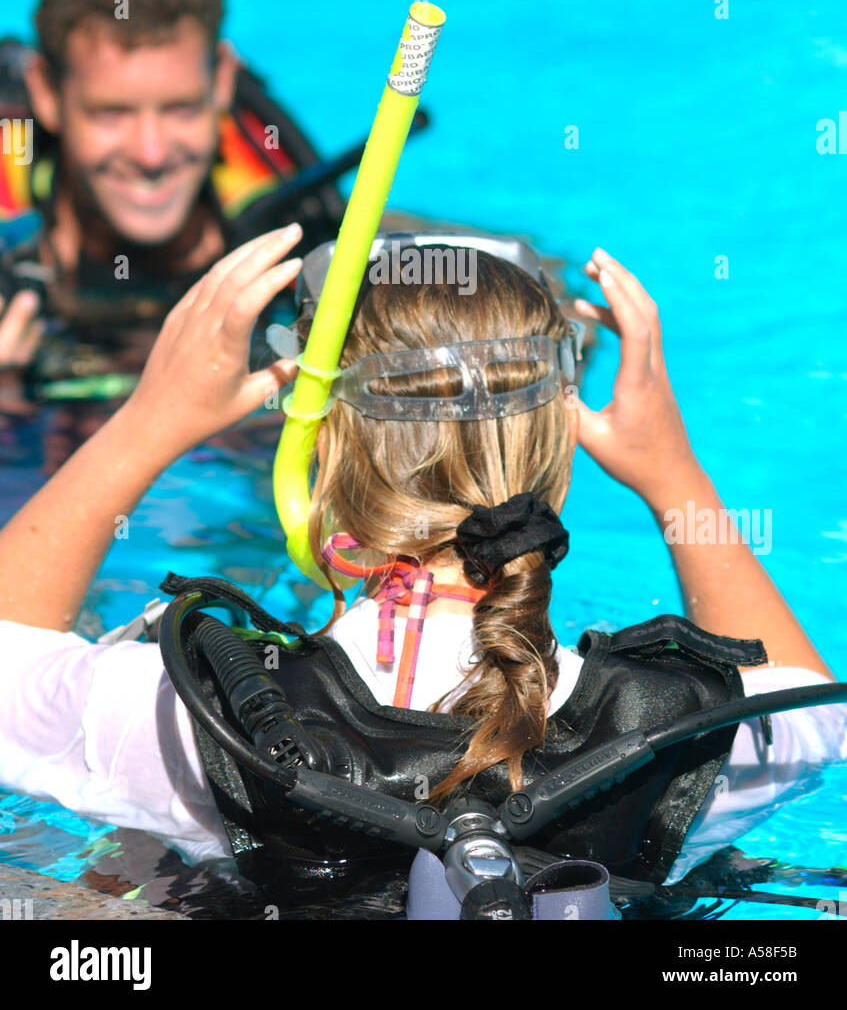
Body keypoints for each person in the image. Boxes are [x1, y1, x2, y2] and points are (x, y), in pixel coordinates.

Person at [0, 230, 843, 917]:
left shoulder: (189, 721)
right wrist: (673, 477)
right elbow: (815, 706)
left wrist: (149, 421)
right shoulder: (693, 739)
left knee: (104, 885)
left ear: (324, 452)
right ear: (558, 461)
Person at [0, 0, 343, 395]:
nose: (151, 154)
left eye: (181, 108)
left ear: (223, 80)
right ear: (46, 93)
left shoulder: (312, 245)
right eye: (111, 112)